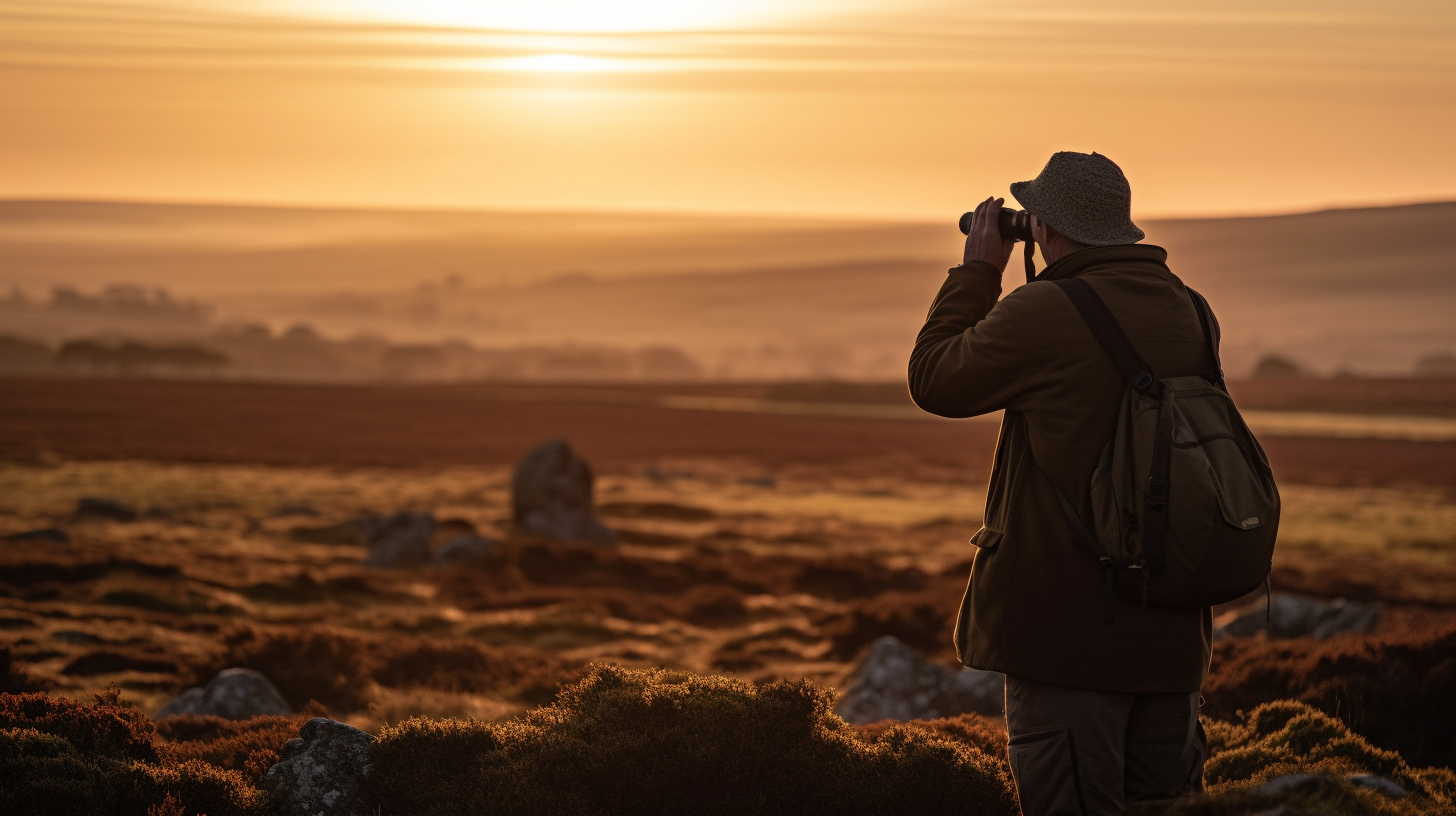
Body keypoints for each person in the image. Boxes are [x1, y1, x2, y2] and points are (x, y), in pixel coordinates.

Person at [908, 151, 1212, 816]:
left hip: (1069, 641)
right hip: (1172, 641)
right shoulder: (1188, 307)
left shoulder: (1048, 310)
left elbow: (934, 379)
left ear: (1043, 226)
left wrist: (977, 274)